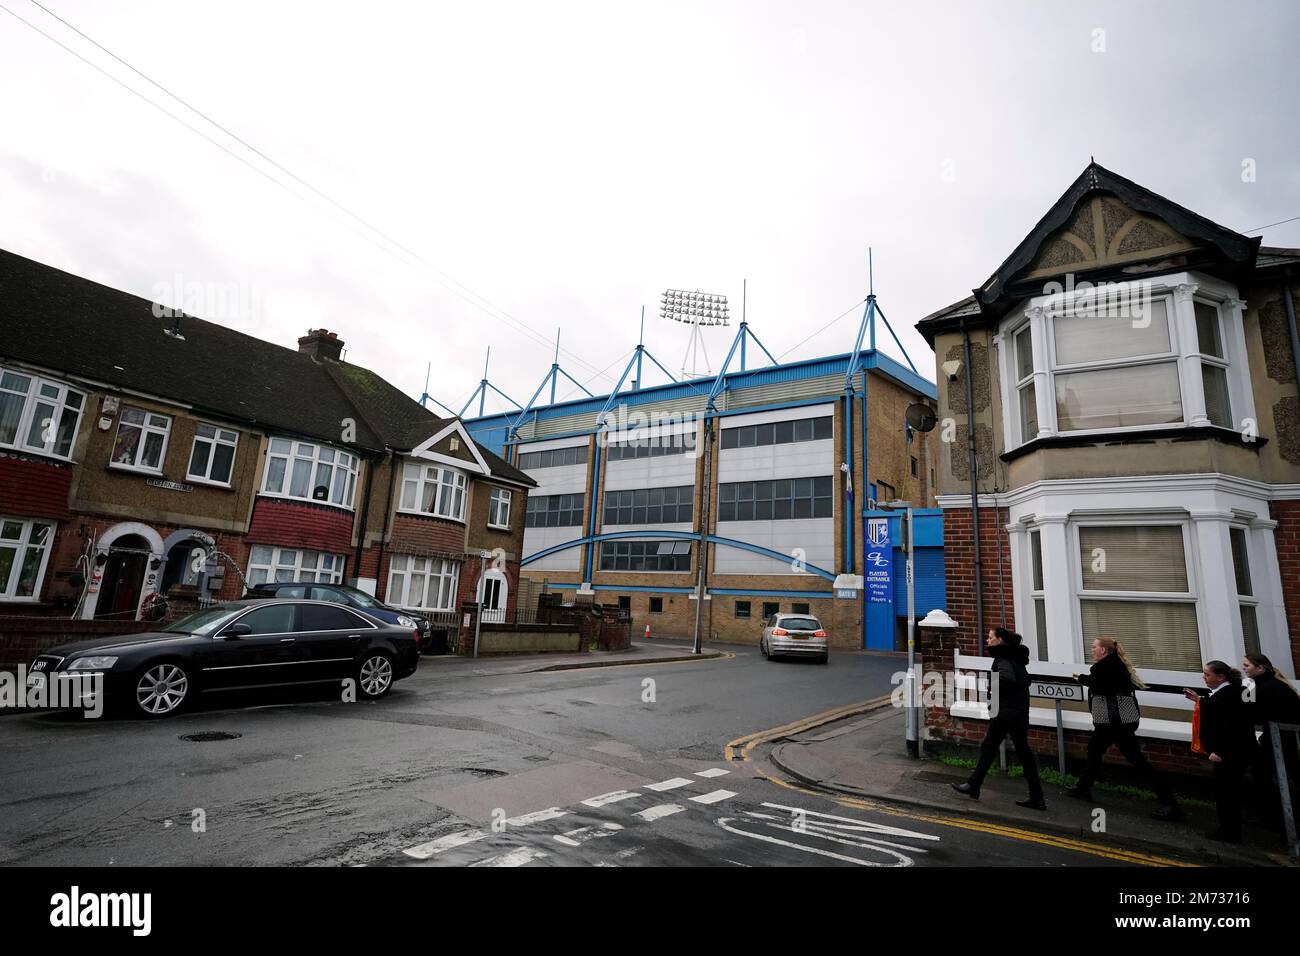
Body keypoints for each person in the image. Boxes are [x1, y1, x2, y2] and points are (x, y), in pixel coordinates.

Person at [1067, 636, 1181, 820]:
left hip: (1113, 723)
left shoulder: (1105, 667)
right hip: (1114, 722)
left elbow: (1102, 687)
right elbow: (1108, 685)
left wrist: (1081, 678)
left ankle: (1169, 803)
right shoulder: (1115, 665)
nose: (1092, 650)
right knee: (1094, 751)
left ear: (1103, 650)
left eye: (1094, 647)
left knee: (1137, 761)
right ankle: (1083, 788)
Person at [951, 628, 1046, 810]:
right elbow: (1023, 681)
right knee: (1022, 752)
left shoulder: (1003, 658)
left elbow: (1007, 679)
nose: (987, 640)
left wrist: (992, 695)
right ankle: (1037, 796)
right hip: (1018, 712)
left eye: (990, 637)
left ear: (999, 640)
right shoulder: (1016, 658)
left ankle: (974, 785)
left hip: (1006, 713)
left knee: (989, 746)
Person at [1184, 661, 1256, 843]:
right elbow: (1215, 709)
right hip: (1233, 751)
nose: (1204, 678)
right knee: (1227, 792)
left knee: (1226, 794)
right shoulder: (1228, 692)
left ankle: (1230, 833)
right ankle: (1229, 829)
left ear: (1221, 676)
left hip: (1229, 753)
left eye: (1207, 675)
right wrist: (1199, 700)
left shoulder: (1227, 695)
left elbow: (1231, 726)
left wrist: (1220, 751)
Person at [1241, 653, 1300, 832]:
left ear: (1260, 668)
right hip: (1278, 739)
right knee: (1270, 775)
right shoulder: (1266, 684)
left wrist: (1245, 687)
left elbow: (1249, 712)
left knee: (1270, 776)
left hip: (1280, 740)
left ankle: (1278, 821)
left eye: (1247, 665)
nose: (1244, 668)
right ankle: (1274, 818)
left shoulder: (1269, 687)